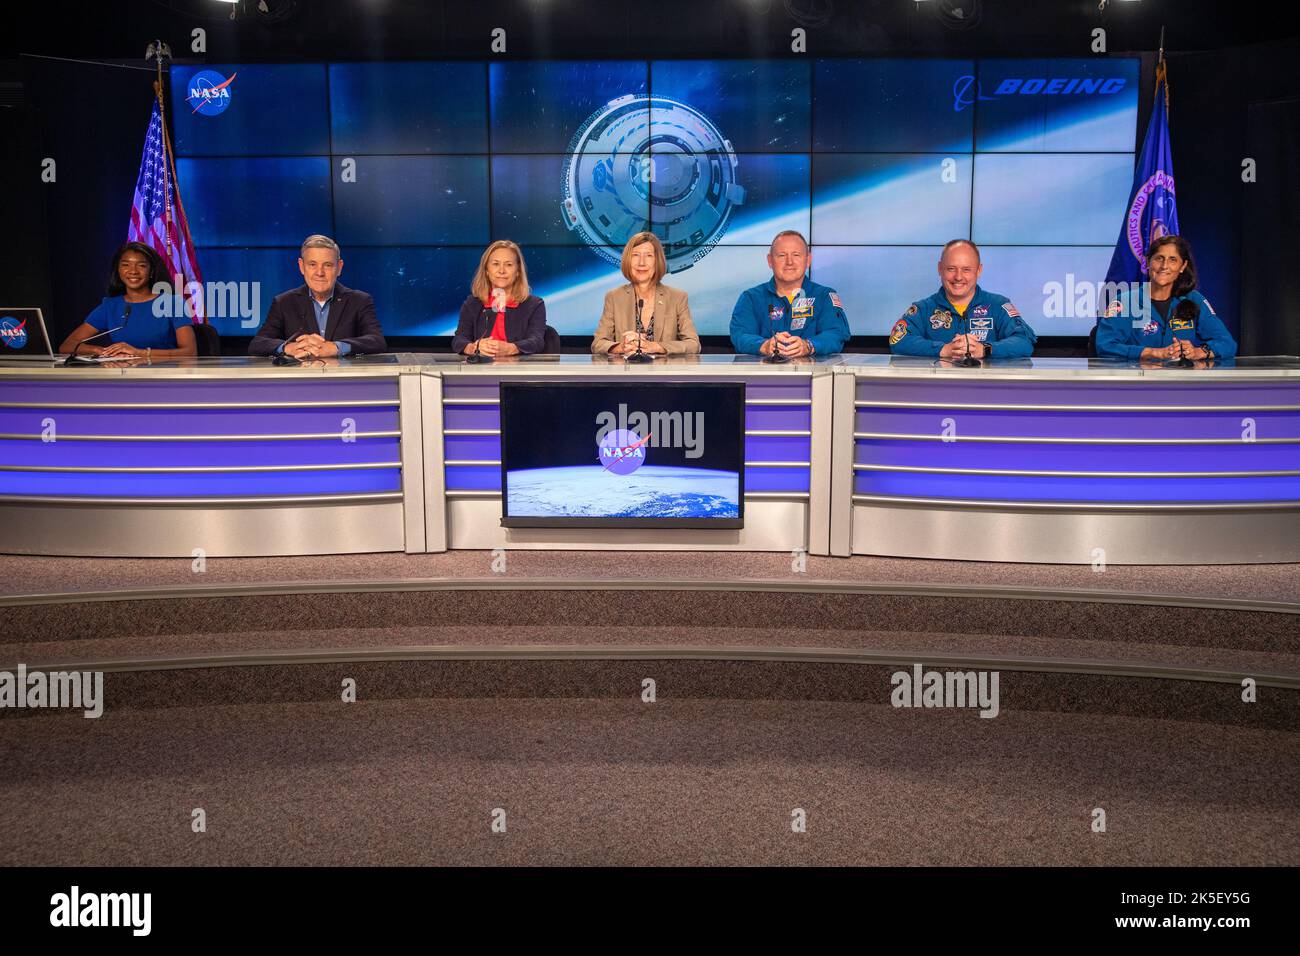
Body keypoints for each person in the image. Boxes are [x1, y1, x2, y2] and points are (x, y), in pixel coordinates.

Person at [1095, 235, 1237, 361]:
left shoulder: (1194, 300)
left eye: (1173, 260)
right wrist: (1152, 353)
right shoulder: (1125, 302)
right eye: (1159, 259)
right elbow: (1105, 345)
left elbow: (1227, 343)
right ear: (1148, 263)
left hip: (1181, 385)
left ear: (1182, 266)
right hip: (1138, 384)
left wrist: (1198, 352)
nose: (1164, 266)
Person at [889, 239, 1037, 359]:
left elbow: (1025, 341)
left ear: (979, 270)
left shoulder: (998, 305)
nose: (958, 277)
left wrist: (985, 349)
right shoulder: (923, 309)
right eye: (951, 269)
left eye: (966, 269)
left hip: (988, 391)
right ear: (940, 268)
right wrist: (944, 350)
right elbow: (898, 340)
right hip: (936, 391)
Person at [249, 235, 386, 357]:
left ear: (339, 268)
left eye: (327, 265)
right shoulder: (284, 302)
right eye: (312, 264)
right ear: (301, 266)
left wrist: (336, 347)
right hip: (299, 382)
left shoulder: (359, 300)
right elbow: (258, 344)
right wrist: (288, 348)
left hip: (344, 381)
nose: (319, 273)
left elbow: (377, 341)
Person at [59, 242, 197, 360]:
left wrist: (140, 353)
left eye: (141, 265)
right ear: (118, 270)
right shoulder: (110, 306)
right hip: (124, 378)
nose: (133, 271)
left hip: (165, 378)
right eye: (126, 265)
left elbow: (190, 352)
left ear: (151, 272)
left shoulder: (173, 303)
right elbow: (67, 346)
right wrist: (101, 351)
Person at [729, 230, 849, 357]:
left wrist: (808, 346)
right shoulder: (751, 298)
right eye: (782, 255)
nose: (789, 262)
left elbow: (836, 334)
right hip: (764, 375)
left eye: (796, 255)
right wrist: (764, 345)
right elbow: (740, 335)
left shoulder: (824, 296)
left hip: (814, 375)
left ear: (808, 260)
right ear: (770, 261)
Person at [592, 232, 699, 355]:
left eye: (648, 256)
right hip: (626, 373)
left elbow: (693, 344)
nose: (641, 263)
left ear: (657, 261)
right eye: (635, 255)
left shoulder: (677, 298)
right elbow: (598, 344)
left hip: (664, 372)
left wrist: (657, 347)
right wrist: (620, 348)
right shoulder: (614, 297)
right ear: (628, 260)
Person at [452, 240, 547, 357]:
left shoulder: (534, 304)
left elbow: (536, 341)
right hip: (480, 371)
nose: (501, 271)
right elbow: (459, 340)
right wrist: (473, 348)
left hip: (518, 371)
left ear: (518, 271)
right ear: (486, 270)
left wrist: (512, 348)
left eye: (509, 265)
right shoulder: (473, 303)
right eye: (496, 264)